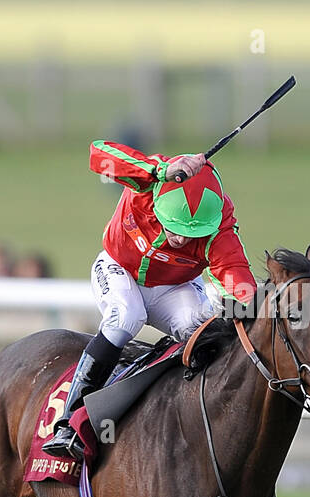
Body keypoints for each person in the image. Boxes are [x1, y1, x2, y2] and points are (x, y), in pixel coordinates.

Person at [42, 140, 257, 460]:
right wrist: (157, 170)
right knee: (126, 318)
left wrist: (249, 304)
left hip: (174, 288)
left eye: (192, 232)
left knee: (202, 335)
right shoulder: (149, 180)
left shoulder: (219, 224)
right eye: (175, 227)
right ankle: (69, 422)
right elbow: (99, 153)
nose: (180, 239)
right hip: (118, 269)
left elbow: (235, 275)